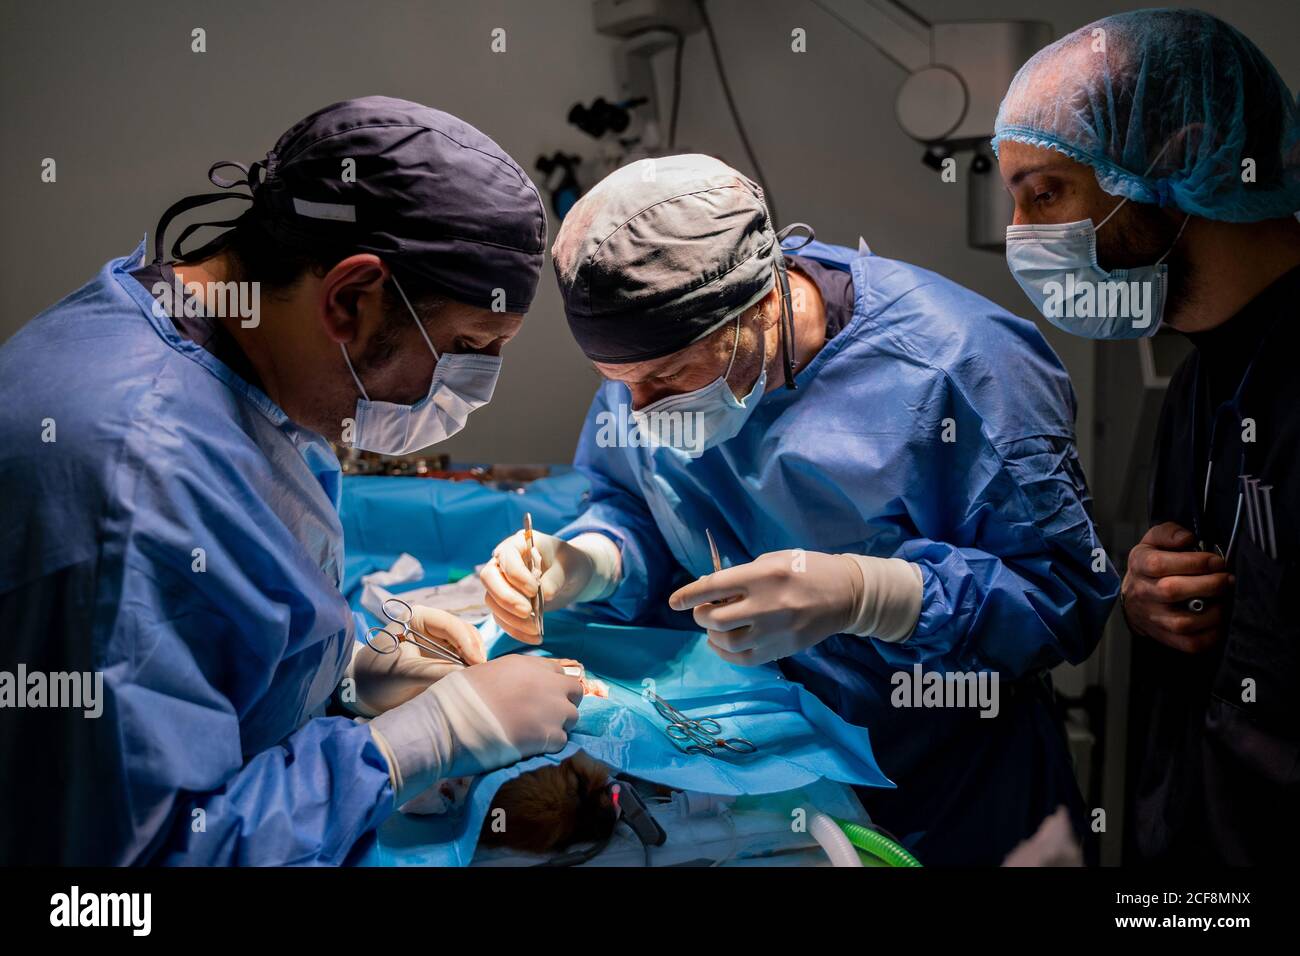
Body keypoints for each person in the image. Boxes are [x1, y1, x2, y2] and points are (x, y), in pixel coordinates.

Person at [480, 153, 1119, 864]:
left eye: (666, 379)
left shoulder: (963, 368)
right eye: (618, 383)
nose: (640, 409)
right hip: (763, 765)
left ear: (759, 308)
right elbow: (635, 500)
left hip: (948, 779)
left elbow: (1064, 593)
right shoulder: (652, 355)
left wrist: (872, 596)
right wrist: (590, 559)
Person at [0, 97, 583, 865]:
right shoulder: (136, 472)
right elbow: (123, 882)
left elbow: (208, 637)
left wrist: (341, 672)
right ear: (348, 298)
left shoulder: (233, 362)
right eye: (466, 347)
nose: (468, 394)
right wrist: (419, 743)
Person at [992, 9, 1300, 864]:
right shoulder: (1200, 381)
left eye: (1045, 194)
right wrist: (1147, 597)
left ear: (1177, 157)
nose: (1022, 239)